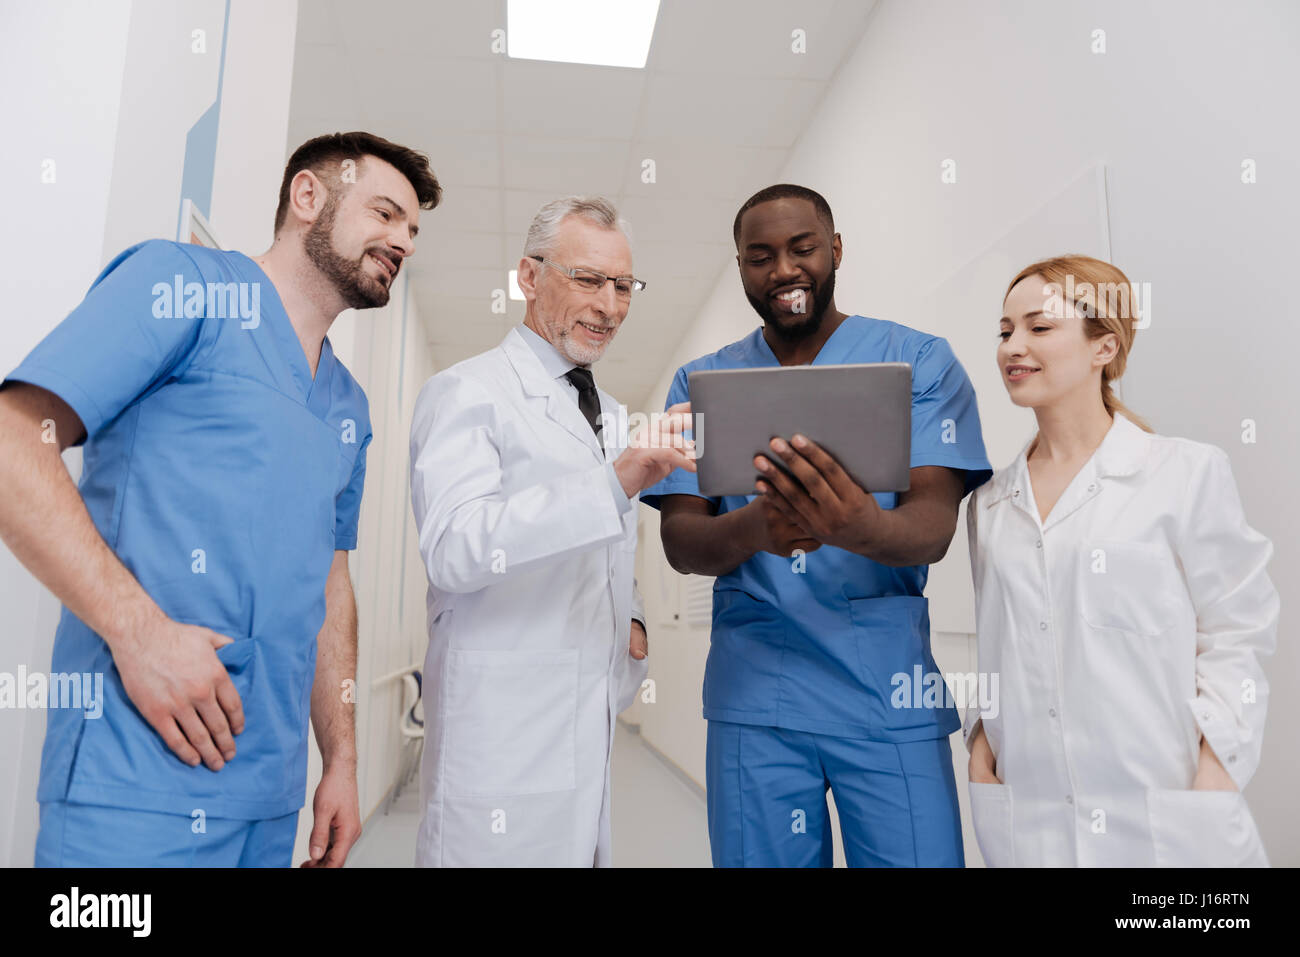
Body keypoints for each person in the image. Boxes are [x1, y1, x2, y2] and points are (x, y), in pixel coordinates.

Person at [0, 131, 441, 867]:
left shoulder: (349, 408)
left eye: (414, 230)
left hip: (268, 802)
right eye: (387, 213)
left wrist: (341, 759)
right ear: (308, 197)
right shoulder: (183, 286)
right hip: (133, 783)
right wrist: (138, 631)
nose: (404, 241)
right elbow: (16, 440)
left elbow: (331, 581)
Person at [641, 184, 993, 867]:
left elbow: (932, 526)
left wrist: (855, 524)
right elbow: (682, 540)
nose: (783, 270)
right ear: (740, 266)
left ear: (835, 250)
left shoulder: (919, 361)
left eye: (802, 249)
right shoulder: (699, 380)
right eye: (760, 256)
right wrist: (760, 528)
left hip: (887, 692)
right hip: (756, 696)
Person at [963, 255, 1277, 867]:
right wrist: (981, 741)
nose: (1013, 347)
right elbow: (996, 640)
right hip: (1032, 819)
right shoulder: (989, 504)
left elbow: (1239, 632)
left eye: (1039, 327)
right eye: (1005, 331)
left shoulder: (1184, 473)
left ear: (1104, 345)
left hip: (1170, 812)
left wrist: (1215, 773)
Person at [408, 196, 693, 867]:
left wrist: (637, 623)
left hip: (585, 726)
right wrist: (614, 480)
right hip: (500, 737)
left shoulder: (614, 416)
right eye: (588, 280)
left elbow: (607, 553)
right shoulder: (467, 392)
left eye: (623, 286)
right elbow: (454, 548)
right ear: (529, 277)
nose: (611, 306)